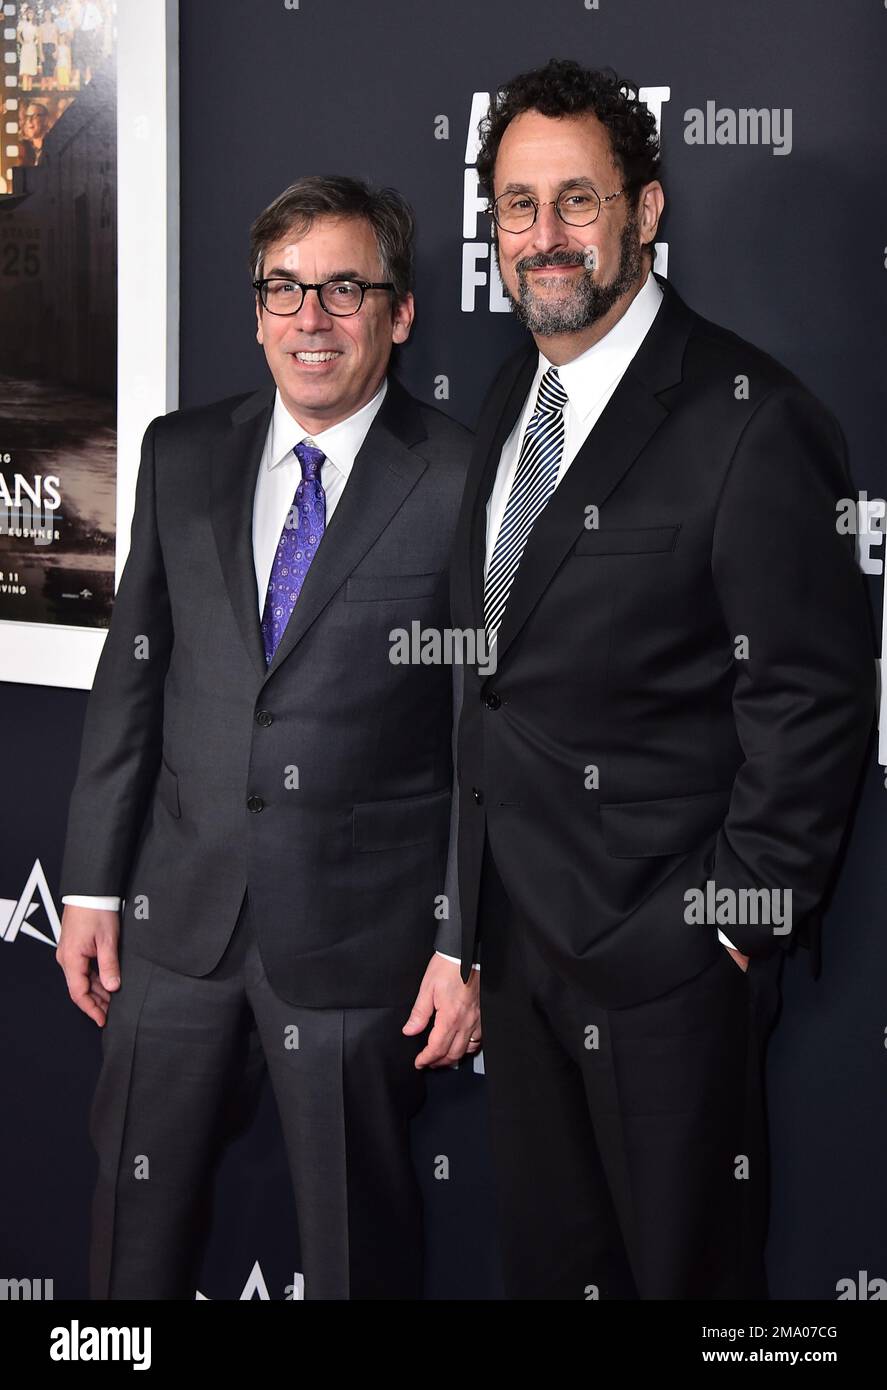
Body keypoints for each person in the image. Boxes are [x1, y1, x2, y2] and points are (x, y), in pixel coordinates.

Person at [446, 59, 875, 1300]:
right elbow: (497, 679)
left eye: (575, 201)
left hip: (666, 971)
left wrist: (731, 918)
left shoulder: (749, 416)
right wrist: (468, 922)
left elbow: (813, 693)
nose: (543, 237)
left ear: (644, 209)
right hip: (520, 949)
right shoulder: (511, 401)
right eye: (517, 207)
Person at [57, 175, 479, 1300]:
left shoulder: (460, 478)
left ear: (398, 313)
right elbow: (130, 679)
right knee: (129, 1242)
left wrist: (458, 936)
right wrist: (94, 884)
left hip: (358, 945)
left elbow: (476, 733)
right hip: (174, 925)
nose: (310, 319)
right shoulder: (180, 452)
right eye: (284, 290)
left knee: (355, 1251)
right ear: (253, 311)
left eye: (343, 288)